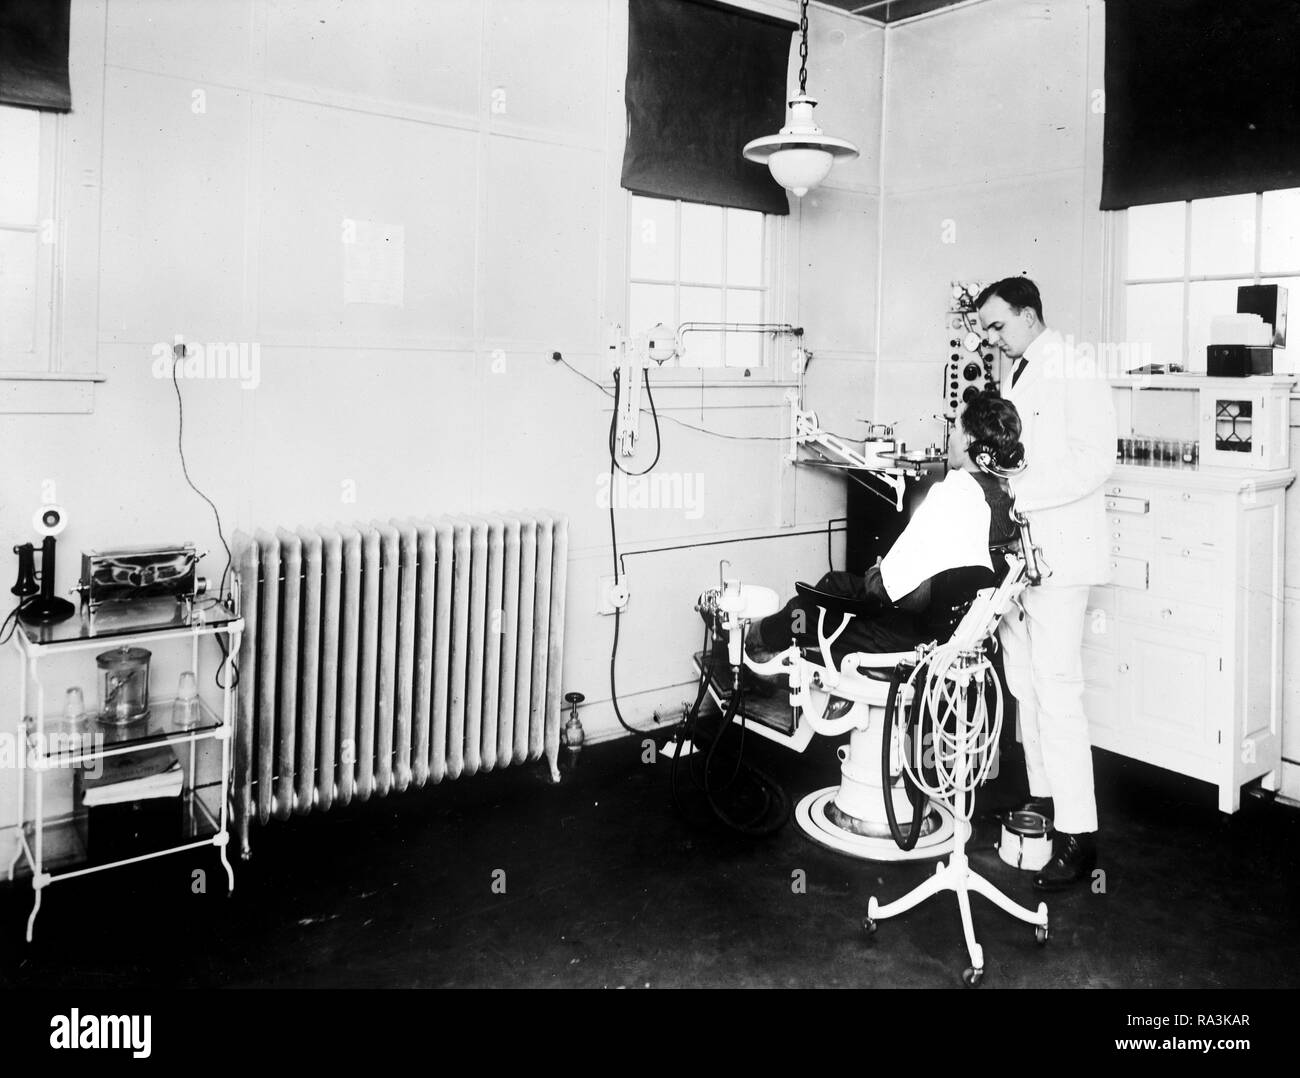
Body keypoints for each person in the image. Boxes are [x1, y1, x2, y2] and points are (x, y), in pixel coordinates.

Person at [974, 276, 1116, 892]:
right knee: (1025, 684)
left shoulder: (1076, 368)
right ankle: (1043, 806)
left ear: (1030, 316)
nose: (991, 340)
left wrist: (1018, 492)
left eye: (998, 326)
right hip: (1023, 554)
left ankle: (1081, 835)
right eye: (985, 330)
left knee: (1057, 689)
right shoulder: (1023, 369)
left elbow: (1094, 459)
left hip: (1062, 553)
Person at [748, 391, 1023, 663]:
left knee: (803, 612)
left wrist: (878, 574)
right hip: (948, 631)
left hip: (904, 637)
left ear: (969, 441)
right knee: (835, 582)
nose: (950, 435)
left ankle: (752, 644)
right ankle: (771, 641)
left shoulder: (952, 495)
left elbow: (889, 592)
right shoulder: (1003, 499)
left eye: (955, 427)